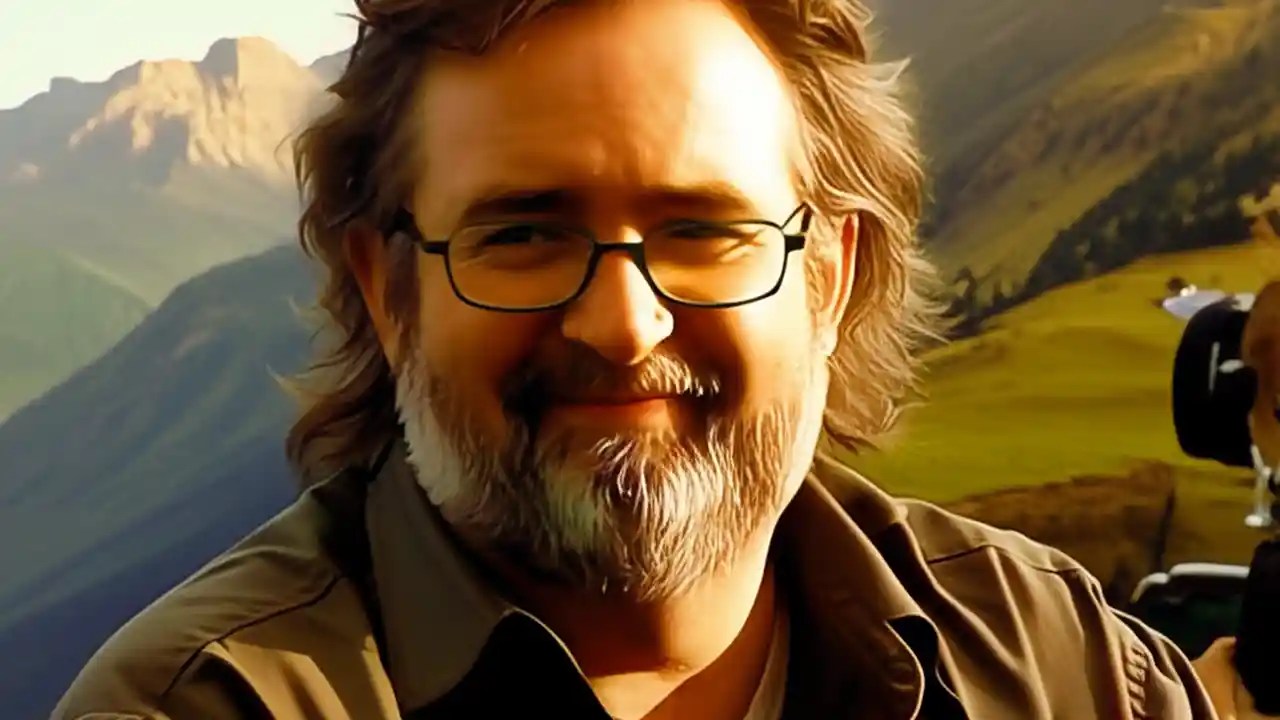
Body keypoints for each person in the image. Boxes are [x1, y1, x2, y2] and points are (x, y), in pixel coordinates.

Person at [55, 0, 1223, 718]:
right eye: (521, 233)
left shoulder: (1064, 672)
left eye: (704, 232)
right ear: (387, 288)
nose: (621, 323)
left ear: (826, 277)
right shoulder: (209, 709)